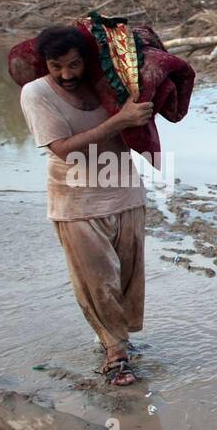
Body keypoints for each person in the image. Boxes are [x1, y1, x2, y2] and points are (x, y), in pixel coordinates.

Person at [19, 25, 155, 385]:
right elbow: (61, 147)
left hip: (125, 190)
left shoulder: (109, 83)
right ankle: (116, 354)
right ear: (44, 64)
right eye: (56, 66)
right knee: (97, 282)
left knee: (127, 277)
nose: (66, 75)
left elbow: (145, 115)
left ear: (87, 60)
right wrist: (120, 121)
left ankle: (116, 338)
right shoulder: (36, 94)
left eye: (74, 65)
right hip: (75, 199)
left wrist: (137, 113)